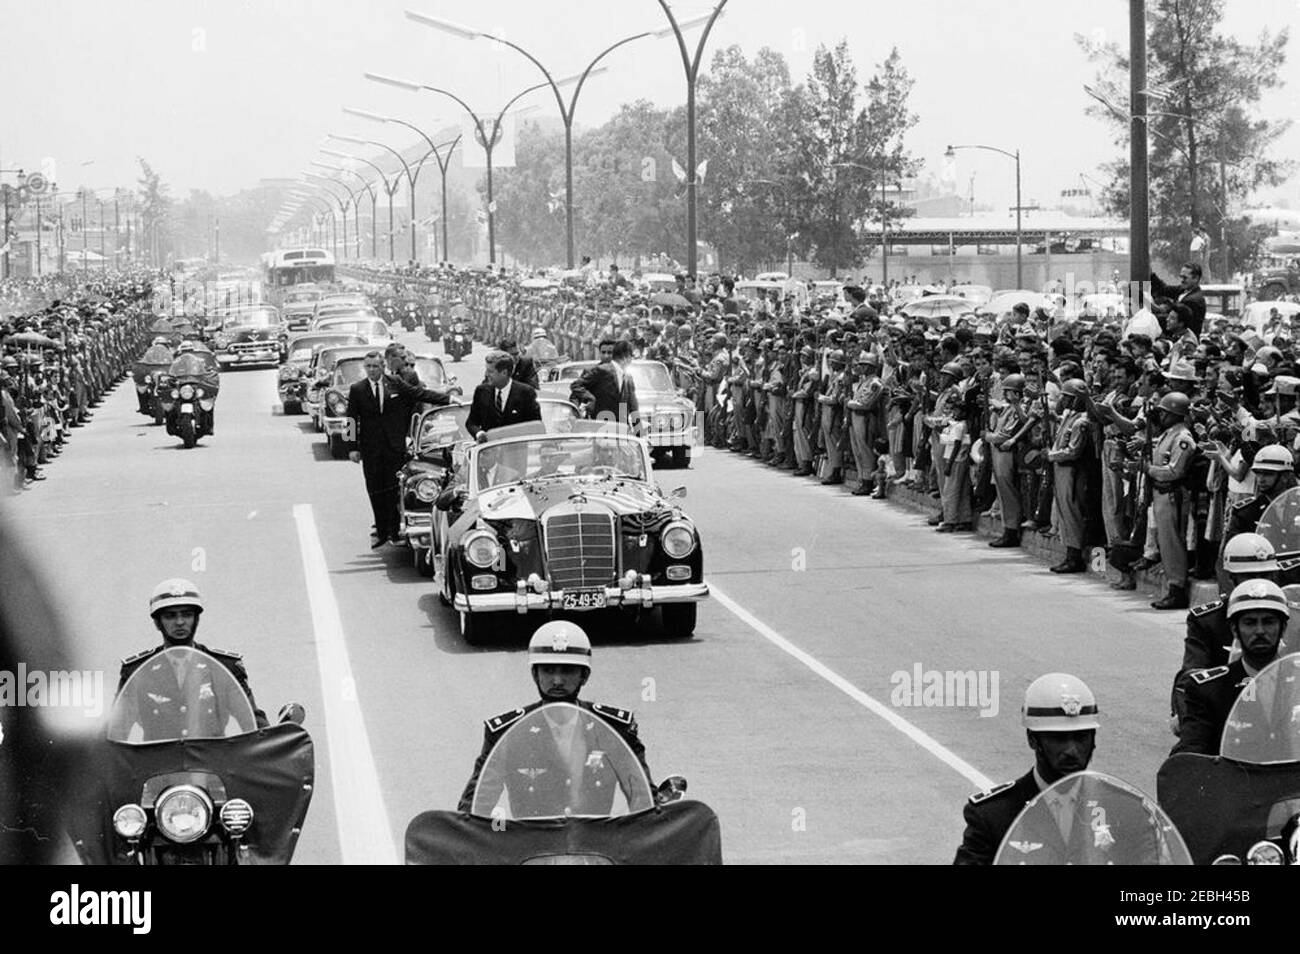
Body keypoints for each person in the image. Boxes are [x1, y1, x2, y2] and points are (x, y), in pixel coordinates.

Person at [457, 621, 653, 813]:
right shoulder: (505, 733)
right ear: (535, 674)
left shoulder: (613, 728)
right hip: (531, 841)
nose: (557, 680)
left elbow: (642, 796)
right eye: (548, 670)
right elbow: (476, 804)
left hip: (596, 842)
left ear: (584, 676)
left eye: (567, 671)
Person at [953, 673, 1099, 865]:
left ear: (1093, 740)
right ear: (1032, 740)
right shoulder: (993, 816)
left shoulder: (1118, 806)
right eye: (1058, 739)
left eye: (1081, 737)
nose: (1071, 750)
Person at [117, 578, 269, 729]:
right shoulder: (137, 671)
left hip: (211, 753)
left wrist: (279, 741)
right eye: (170, 616)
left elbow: (253, 722)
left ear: (197, 619)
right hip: (158, 753)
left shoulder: (225, 667)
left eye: (187, 614)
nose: (180, 622)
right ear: (157, 622)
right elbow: (116, 727)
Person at [346, 350, 453, 548]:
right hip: (370, 449)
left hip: (394, 447)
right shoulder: (357, 389)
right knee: (375, 489)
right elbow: (351, 420)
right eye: (368, 366)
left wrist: (447, 400)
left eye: (375, 366)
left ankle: (394, 531)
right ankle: (382, 531)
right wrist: (351, 447)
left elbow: (418, 393)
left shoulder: (394, 383)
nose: (371, 370)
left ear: (383, 367)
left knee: (394, 489)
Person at [1171, 579, 1290, 756]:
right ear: (1234, 630)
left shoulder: (1296, 680)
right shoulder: (1208, 690)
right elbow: (1190, 752)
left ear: (1283, 627)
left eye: (1268, 622)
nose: (1260, 631)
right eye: (1250, 623)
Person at [1146, 391, 1197, 609]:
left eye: (1165, 413)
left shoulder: (1182, 438)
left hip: (1173, 493)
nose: (1162, 417)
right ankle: (1171, 585)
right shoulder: (1169, 434)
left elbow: (1176, 470)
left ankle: (1177, 588)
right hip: (1161, 492)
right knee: (1165, 542)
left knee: (1173, 542)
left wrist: (1150, 470)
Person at [1046, 379, 1091, 573]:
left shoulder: (1082, 421)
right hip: (1061, 468)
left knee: (1072, 512)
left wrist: (1050, 455)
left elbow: (1073, 451)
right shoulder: (1069, 416)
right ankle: (1069, 553)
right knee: (1064, 512)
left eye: (1067, 397)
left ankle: (1075, 556)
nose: (1063, 400)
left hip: (1072, 469)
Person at [466, 350, 541, 442]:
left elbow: (535, 426)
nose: (486, 374)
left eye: (490, 371)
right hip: (489, 452)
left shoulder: (526, 393)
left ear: (504, 373)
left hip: (517, 451)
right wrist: (479, 433)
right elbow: (471, 422)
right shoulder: (481, 392)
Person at [570, 338, 638, 427]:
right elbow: (576, 390)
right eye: (603, 352)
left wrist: (639, 433)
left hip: (621, 429)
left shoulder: (627, 377)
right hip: (599, 426)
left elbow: (633, 407)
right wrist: (590, 399)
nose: (606, 356)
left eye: (610, 353)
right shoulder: (597, 371)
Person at [1150, 263, 1206, 338]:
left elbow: (1172, 320)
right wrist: (1151, 274)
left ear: (1196, 279)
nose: (1182, 280)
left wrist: (1148, 317)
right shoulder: (1183, 290)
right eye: (1181, 277)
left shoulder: (1193, 301)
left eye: (1185, 278)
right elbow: (1164, 289)